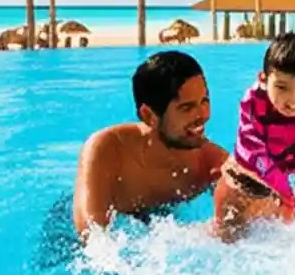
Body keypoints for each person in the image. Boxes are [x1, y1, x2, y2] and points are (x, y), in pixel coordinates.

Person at [72, 50, 227, 236]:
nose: (203, 115)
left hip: (157, 222)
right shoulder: (107, 149)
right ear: (148, 115)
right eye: (187, 108)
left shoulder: (211, 164)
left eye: (204, 101)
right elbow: (91, 236)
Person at [212, 32, 295, 241]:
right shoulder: (253, 102)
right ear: (263, 79)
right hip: (239, 185)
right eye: (281, 87)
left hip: (274, 194)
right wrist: (286, 192)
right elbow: (252, 151)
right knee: (224, 243)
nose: (293, 100)